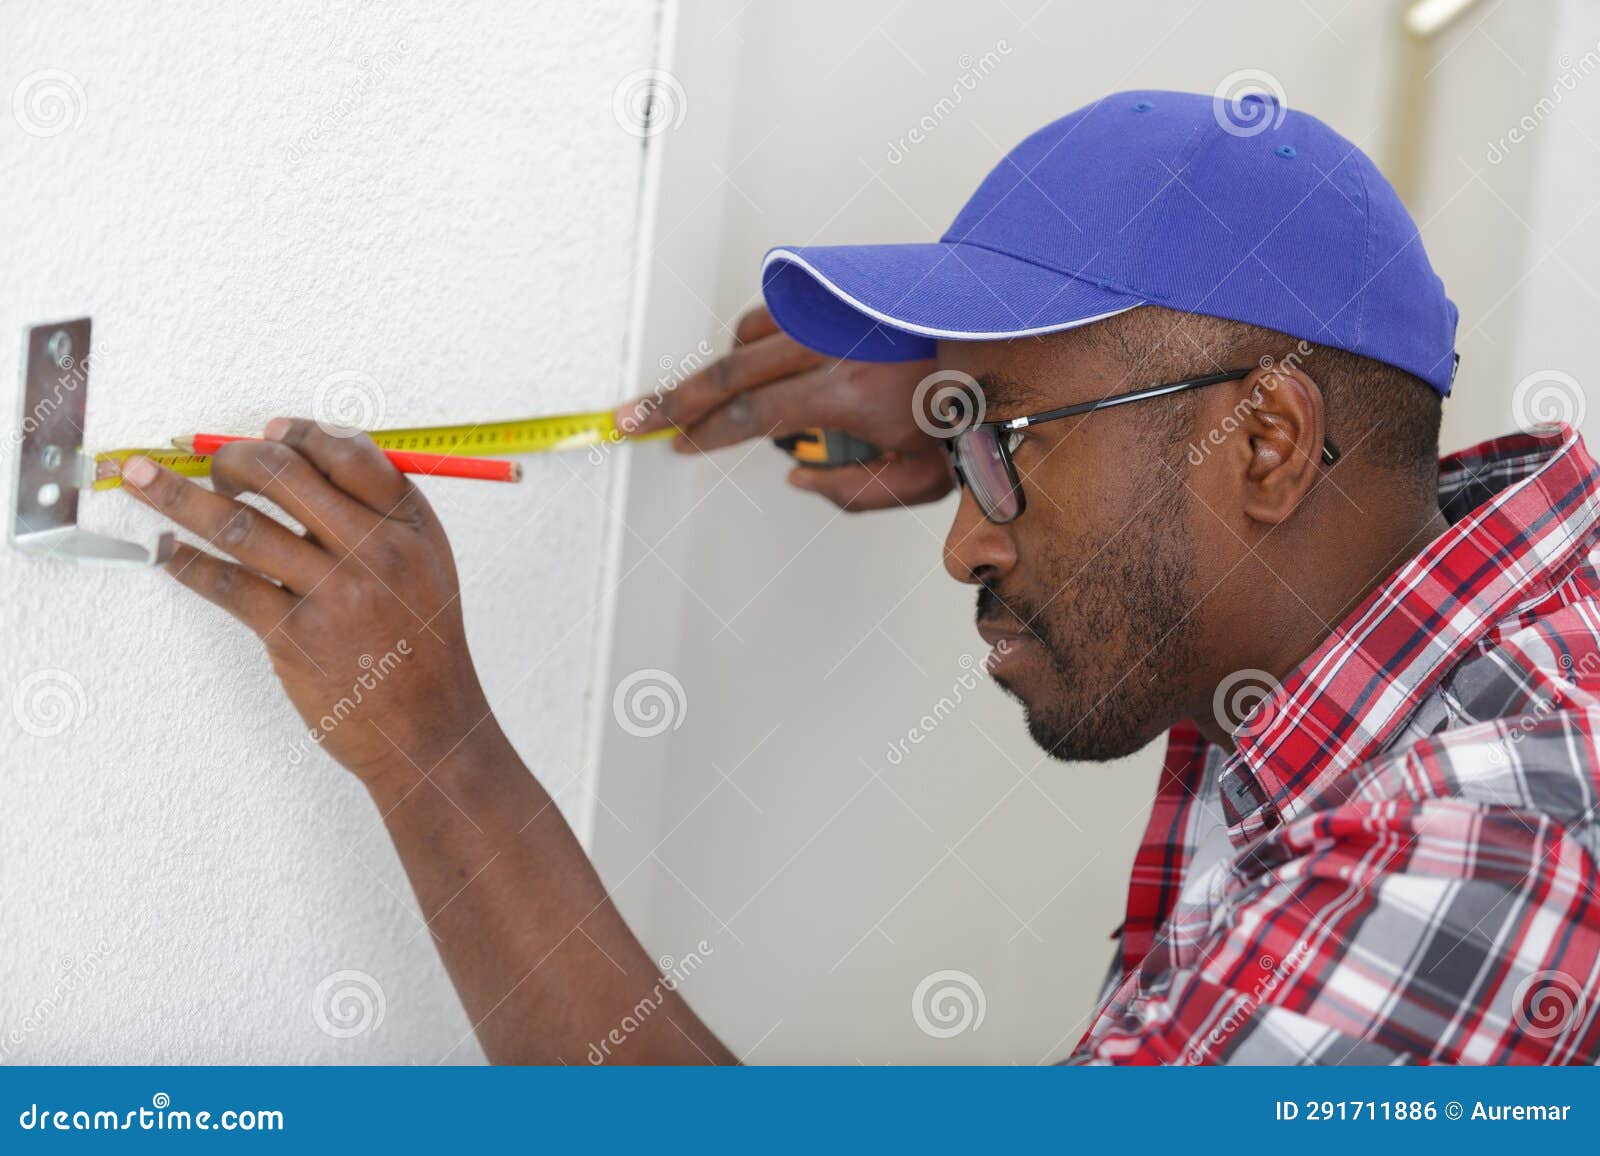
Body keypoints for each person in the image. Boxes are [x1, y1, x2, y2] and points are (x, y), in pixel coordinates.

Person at [117, 90, 1600, 1064]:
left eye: (1005, 441)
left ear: (1269, 445)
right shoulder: (1416, 596)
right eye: (962, 443)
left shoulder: (1471, 858)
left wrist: (440, 761)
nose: (963, 539)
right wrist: (995, 417)